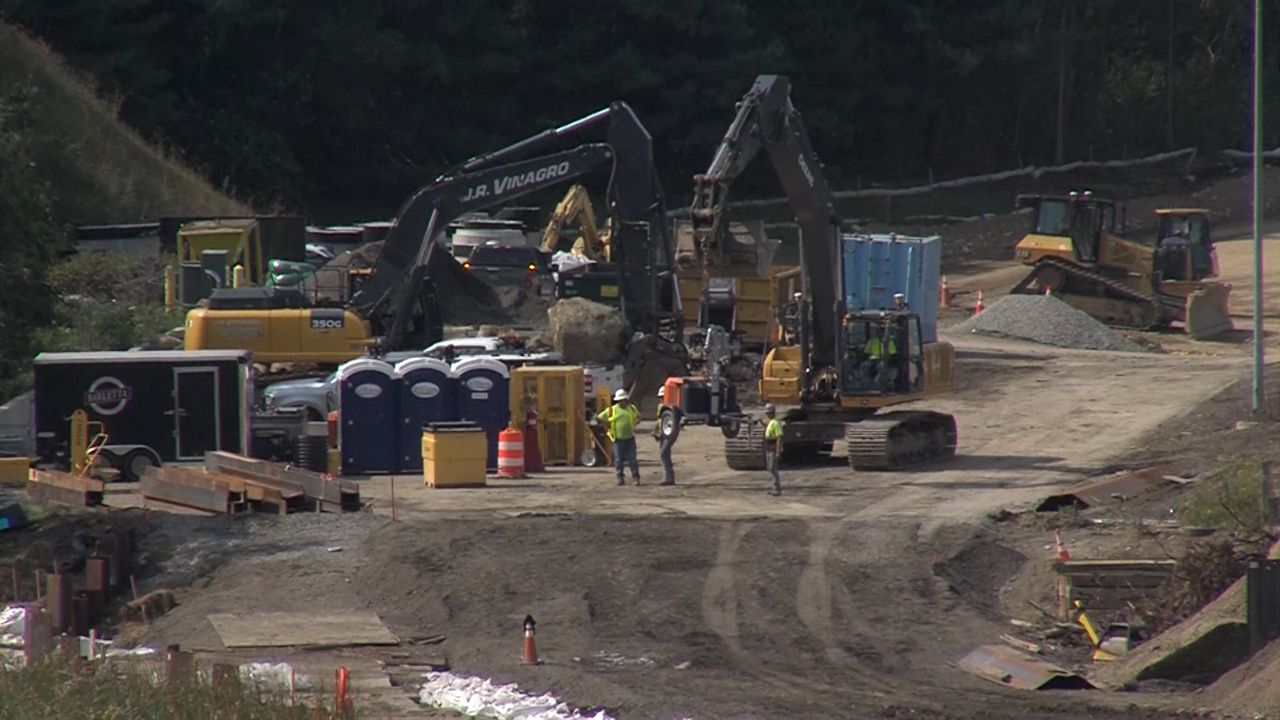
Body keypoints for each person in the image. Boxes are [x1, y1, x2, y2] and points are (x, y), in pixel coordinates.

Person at [598, 388, 640, 486]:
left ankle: (636, 477)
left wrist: (637, 421)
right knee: (618, 460)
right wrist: (607, 424)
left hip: (630, 438)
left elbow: (638, 416)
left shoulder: (632, 408)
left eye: (624, 400)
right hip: (618, 439)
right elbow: (599, 417)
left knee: (632, 460)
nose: (623, 402)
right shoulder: (612, 410)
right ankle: (620, 478)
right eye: (621, 400)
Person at [653, 386, 678, 486]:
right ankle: (668, 477)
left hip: (670, 431)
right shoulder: (660, 407)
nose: (661, 399)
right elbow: (659, 420)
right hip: (663, 431)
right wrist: (656, 431)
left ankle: (668, 477)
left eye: (662, 397)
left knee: (664, 453)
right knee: (664, 453)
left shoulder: (672, 407)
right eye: (660, 397)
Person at [763, 403, 783, 496]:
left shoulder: (776, 423)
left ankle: (777, 489)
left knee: (773, 468)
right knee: (770, 468)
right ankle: (774, 488)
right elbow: (768, 430)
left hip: (773, 448)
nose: (767, 415)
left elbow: (779, 437)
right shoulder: (771, 422)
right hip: (769, 448)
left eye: (768, 413)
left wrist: (778, 451)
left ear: (772, 413)